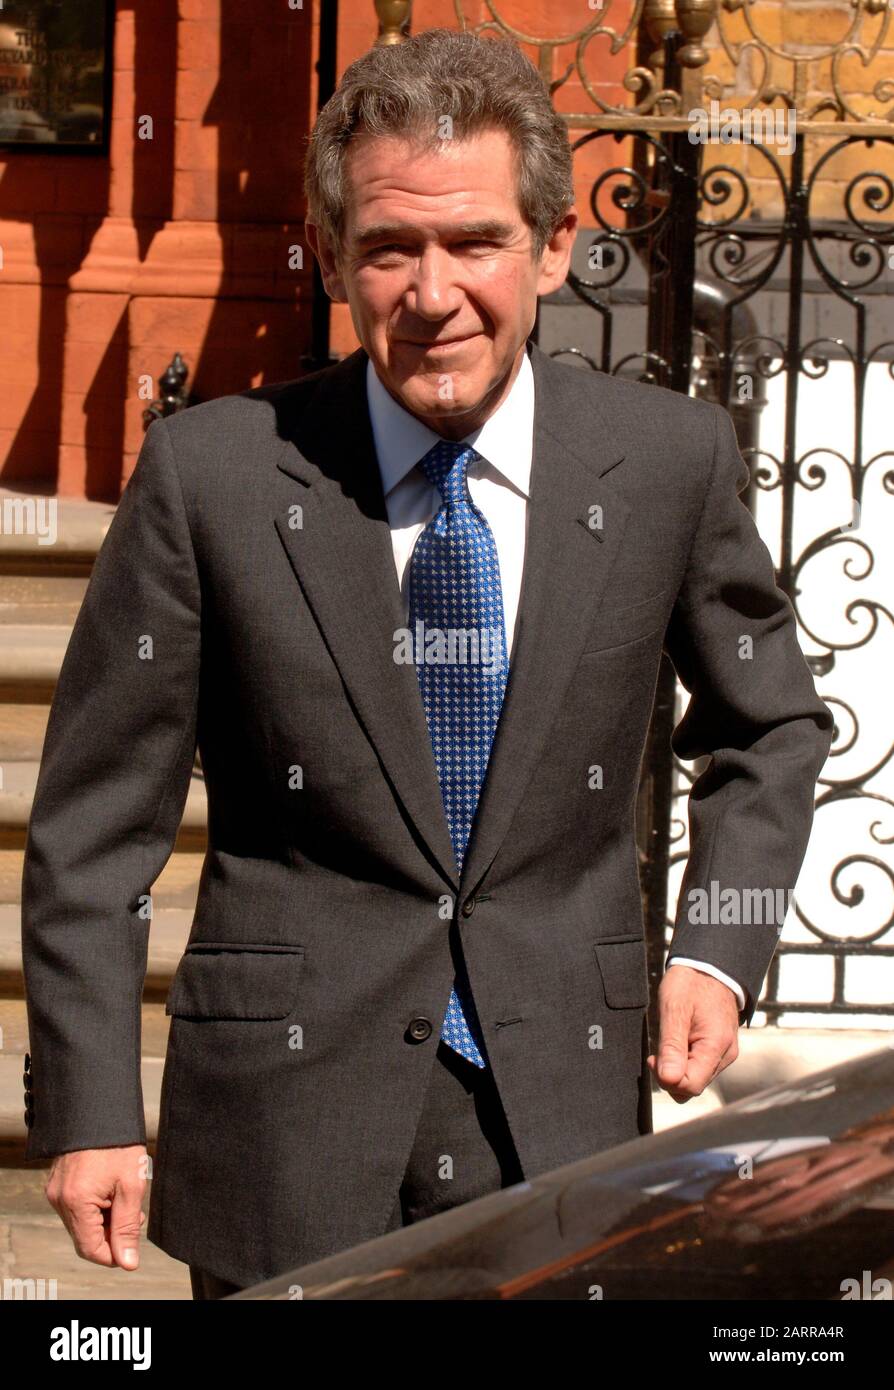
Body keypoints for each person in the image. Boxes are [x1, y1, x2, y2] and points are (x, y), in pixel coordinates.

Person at [21, 29, 833, 1299]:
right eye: (391, 248)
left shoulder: (669, 461)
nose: (433, 290)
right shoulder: (214, 477)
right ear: (336, 255)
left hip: (563, 1123)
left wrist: (719, 947)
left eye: (475, 243)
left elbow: (770, 728)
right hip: (285, 1145)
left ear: (554, 245)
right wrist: (88, 1106)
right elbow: (92, 828)